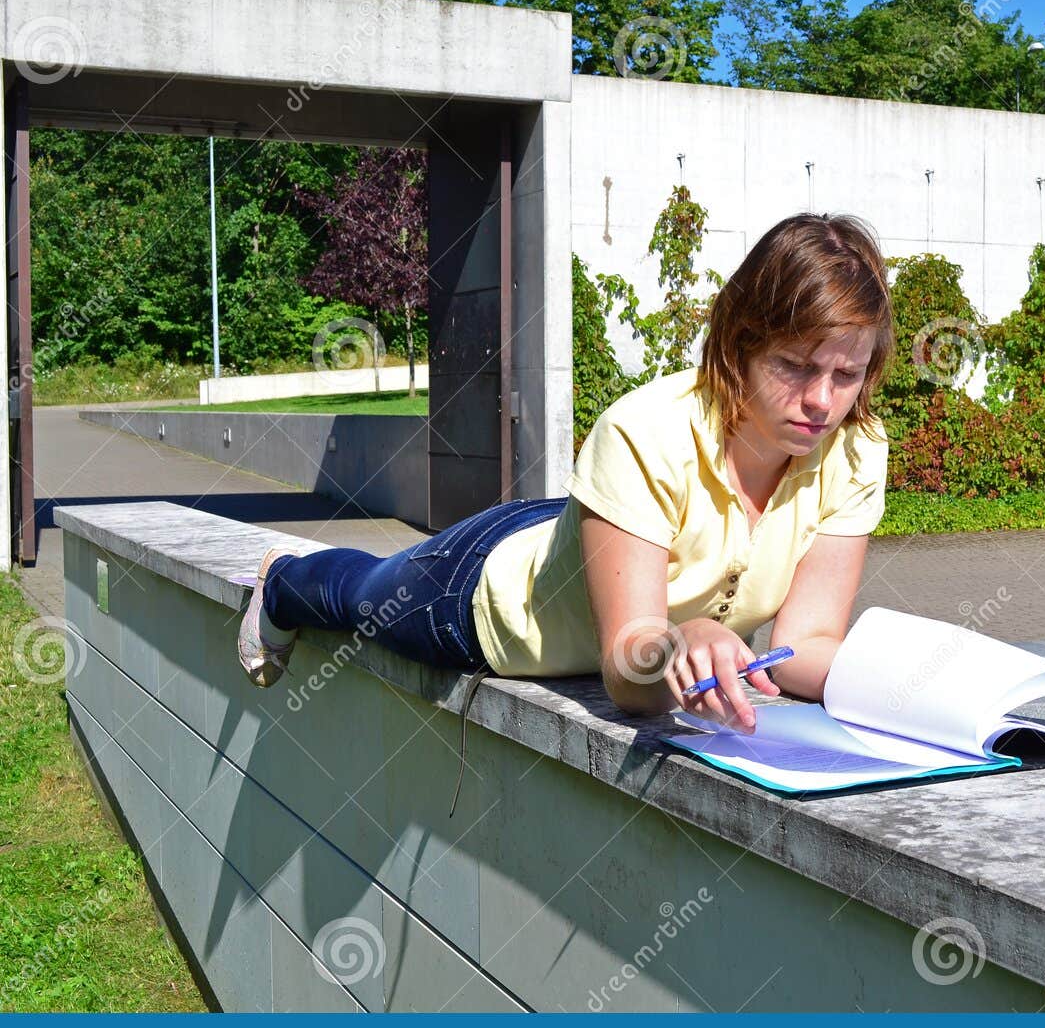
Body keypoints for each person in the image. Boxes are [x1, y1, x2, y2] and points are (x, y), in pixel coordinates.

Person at [238, 212, 895, 733]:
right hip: (488, 594)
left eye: (846, 373)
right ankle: (282, 578)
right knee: (363, 594)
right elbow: (627, 664)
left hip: (592, 534)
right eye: (795, 365)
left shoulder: (858, 448)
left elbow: (806, 643)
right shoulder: (645, 431)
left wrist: (925, 689)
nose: (822, 400)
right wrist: (680, 644)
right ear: (739, 343)